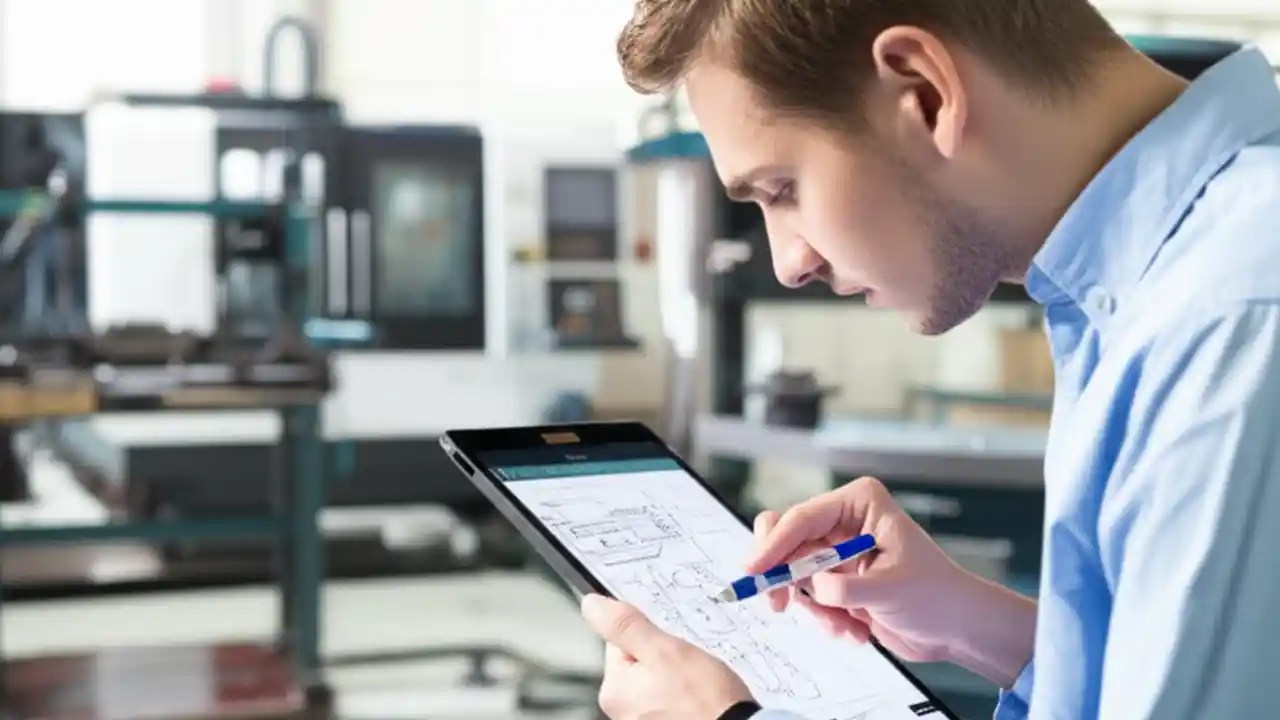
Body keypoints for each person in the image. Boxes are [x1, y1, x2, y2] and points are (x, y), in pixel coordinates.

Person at [576, 1, 1280, 719]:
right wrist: (971, 622)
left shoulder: (1232, 318)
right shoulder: (1159, 288)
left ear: (925, 94)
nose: (789, 263)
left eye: (782, 189)